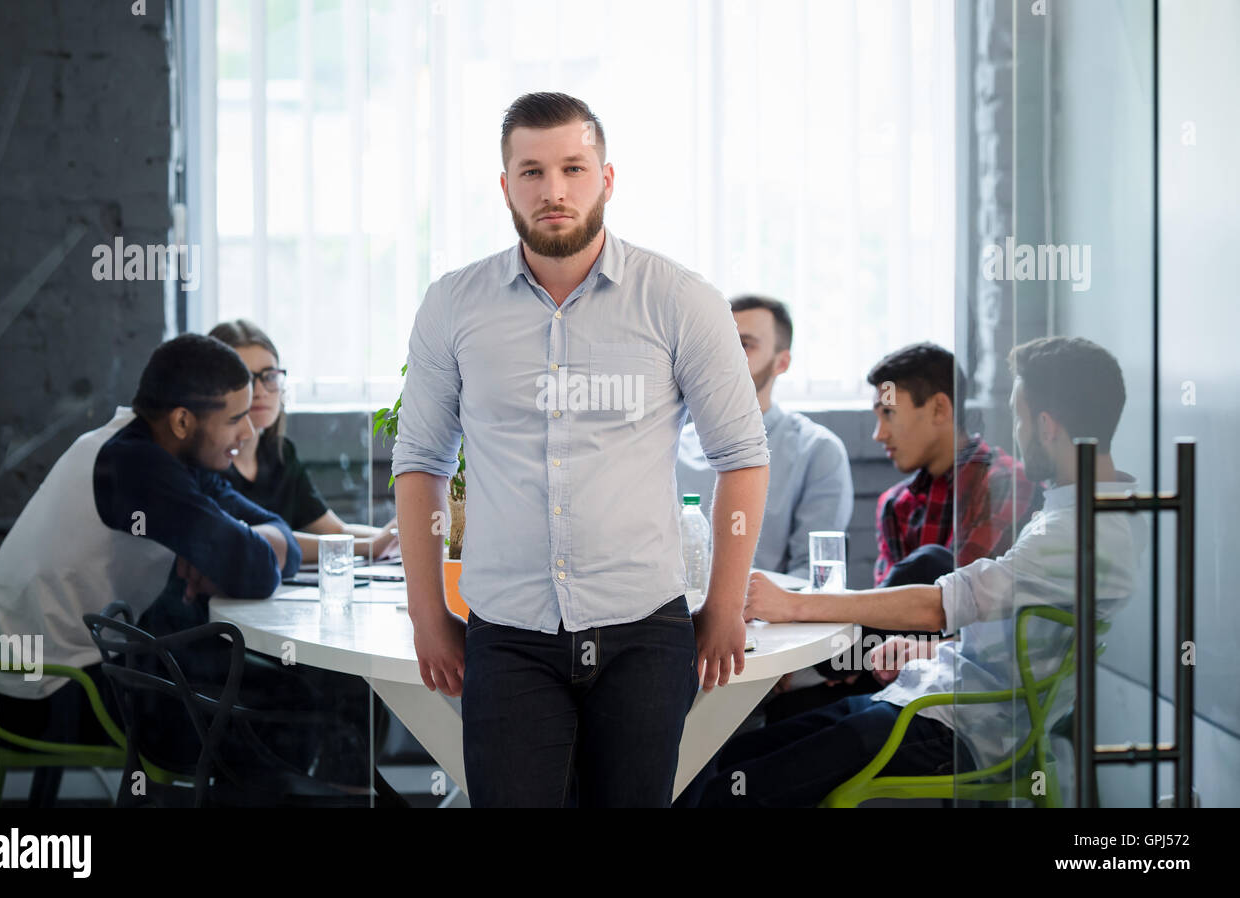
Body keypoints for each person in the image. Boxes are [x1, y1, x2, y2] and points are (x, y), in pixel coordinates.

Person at [392, 91, 770, 807]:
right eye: (532, 172)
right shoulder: (454, 303)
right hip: (507, 633)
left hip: (644, 633)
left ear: (607, 178)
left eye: (573, 167)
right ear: (505, 186)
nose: (554, 190)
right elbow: (421, 463)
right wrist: (426, 613)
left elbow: (742, 456)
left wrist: (725, 606)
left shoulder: (680, 300)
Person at [681, 336, 1144, 807]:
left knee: (725, 791)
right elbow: (1014, 624)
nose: (1016, 431)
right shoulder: (1076, 515)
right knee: (719, 760)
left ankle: (805, 671)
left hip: (952, 729)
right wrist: (931, 648)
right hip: (929, 696)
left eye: (1019, 417)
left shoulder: (1078, 531)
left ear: (1046, 426)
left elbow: (939, 603)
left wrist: (794, 603)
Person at [0, 334, 300, 780]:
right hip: (46, 696)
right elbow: (259, 571)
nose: (248, 433)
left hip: (73, 671)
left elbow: (281, 540)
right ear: (184, 420)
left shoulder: (167, 450)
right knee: (266, 711)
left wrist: (253, 548)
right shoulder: (135, 466)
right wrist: (247, 553)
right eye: (236, 419)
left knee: (271, 691)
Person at [759, 342, 1038, 719]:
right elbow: (884, 614)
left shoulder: (1001, 481)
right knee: (781, 716)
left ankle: (821, 659)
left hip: (963, 665)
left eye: (888, 414)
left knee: (931, 564)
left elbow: (973, 611)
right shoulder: (896, 504)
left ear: (939, 408)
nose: (878, 434)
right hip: (889, 662)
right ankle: (822, 662)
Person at [674, 294, 852, 575]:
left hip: (770, 617)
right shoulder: (672, 448)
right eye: (719, 342)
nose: (726, 355)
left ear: (781, 363)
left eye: (745, 345)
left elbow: (812, 573)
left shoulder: (818, 451)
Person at [208, 319, 398, 564]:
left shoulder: (280, 454)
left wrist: (398, 536)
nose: (261, 391)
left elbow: (335, 530)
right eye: (245, 377)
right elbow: (260, 540)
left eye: (270, 376)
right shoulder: (208, 463)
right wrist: (369, 546)